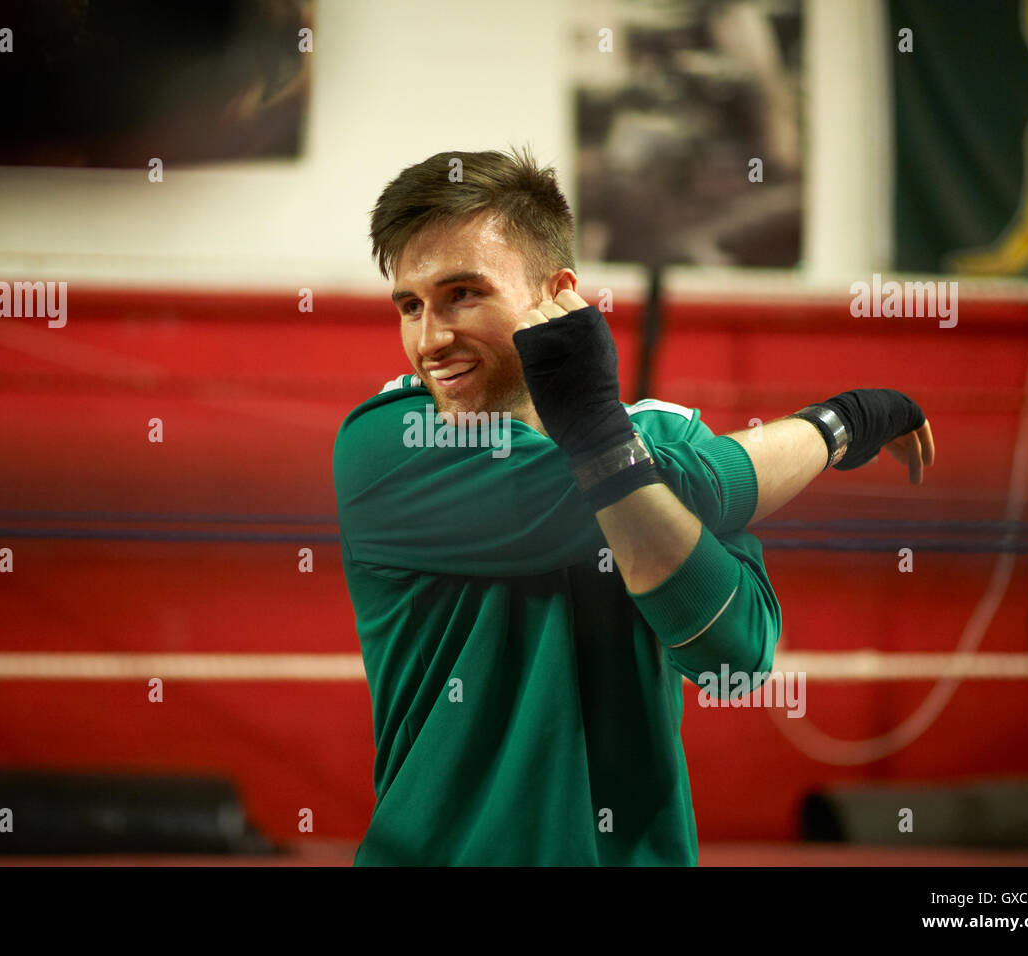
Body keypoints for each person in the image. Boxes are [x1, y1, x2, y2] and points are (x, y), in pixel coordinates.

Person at [332, 146, 935, 866]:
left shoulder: (665, 432)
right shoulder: (390, 444)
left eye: (463, 293)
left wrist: (602, 440)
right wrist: (841, 423)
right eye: (410, 305)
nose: (430, 339)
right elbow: (689, 484)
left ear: (557, 297)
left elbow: (734, 659)